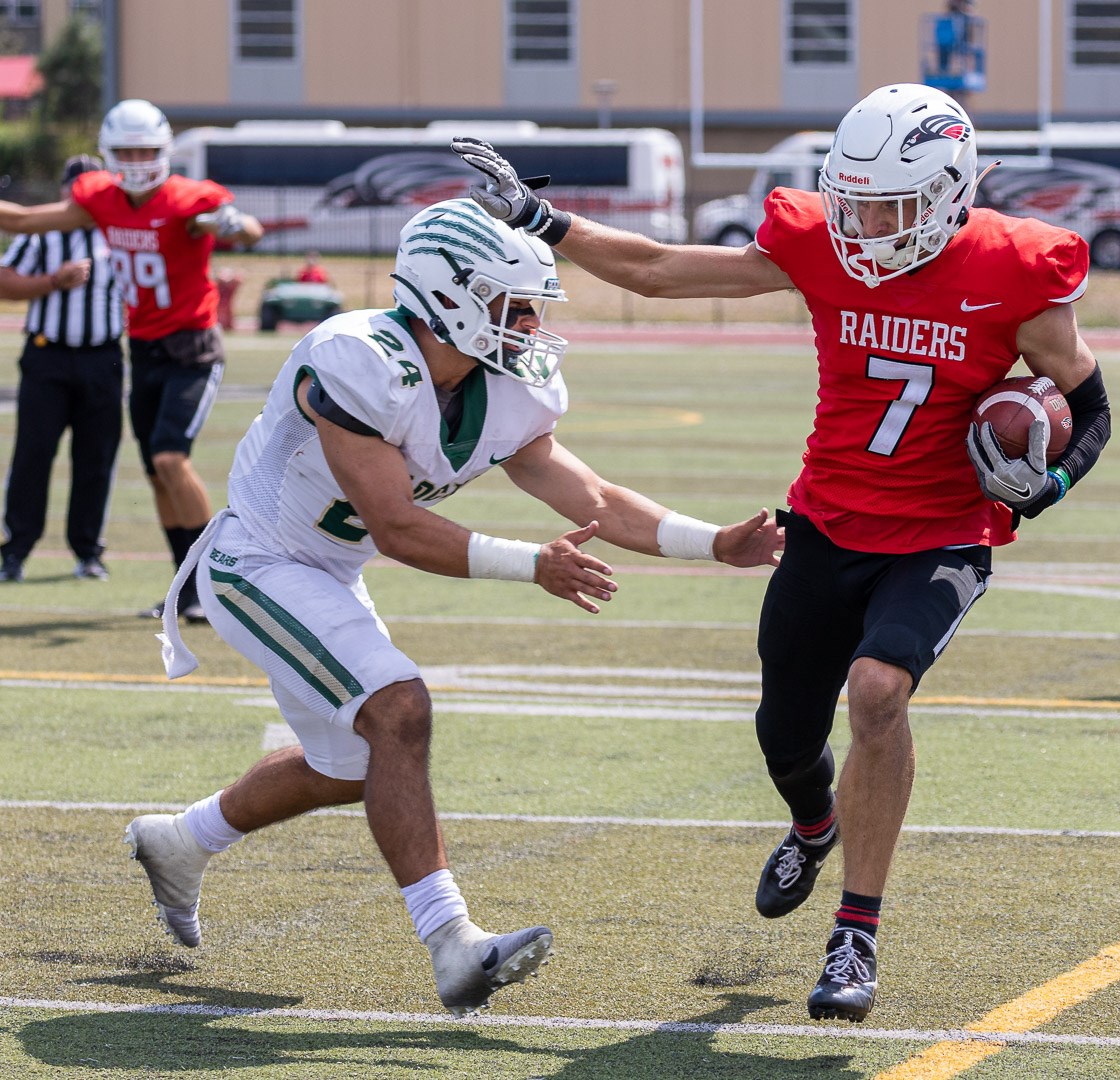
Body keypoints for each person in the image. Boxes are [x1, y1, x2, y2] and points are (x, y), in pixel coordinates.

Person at [454, 81, 1113, 1022]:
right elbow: (654, 269)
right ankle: (813, 823)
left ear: (951, 193)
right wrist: (537, 217)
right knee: (784, 736)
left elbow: (1090, 405)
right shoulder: (819, 242)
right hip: (827, 523)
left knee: (879, 692)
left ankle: (856, 934)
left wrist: (1046, 487)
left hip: (940, 533)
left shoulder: (1015, 269)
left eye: (889, 205)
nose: (864, 224)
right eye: (852, 201)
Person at [126, 199, 783, 1015]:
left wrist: (713, 541)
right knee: (399, 709)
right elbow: (398, 528)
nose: (533, 323)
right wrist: (529, 564)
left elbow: (598, 498)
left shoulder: (505, 385)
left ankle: (181, 840)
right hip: (256, 562)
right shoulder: (358, 359)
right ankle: (452, 943)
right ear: (452, 297)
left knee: (352, 769)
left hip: (327, 572)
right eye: (515, 305)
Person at [0, 98, 263, 622]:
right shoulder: (101, 199)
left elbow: (245, 230)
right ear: (108, 153)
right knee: (156, 474)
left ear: (164, 150)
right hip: (141, 350)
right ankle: (187, 590)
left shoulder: (188, 199)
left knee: (170, 458)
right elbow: (28, 219)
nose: (138, 159)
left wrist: (233, 224)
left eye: (146, 149)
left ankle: (219, 578)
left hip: (191, 345)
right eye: (126, 150)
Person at [0, 155, 126, 583]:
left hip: (103, 358)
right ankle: (15, 550)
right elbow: (4, 280)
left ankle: (89, 551)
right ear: (64, 193)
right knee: (33, 455)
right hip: (47, 357)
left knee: (96, 458)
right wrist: (53, 282)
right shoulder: (42, 236)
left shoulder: (121, 235)